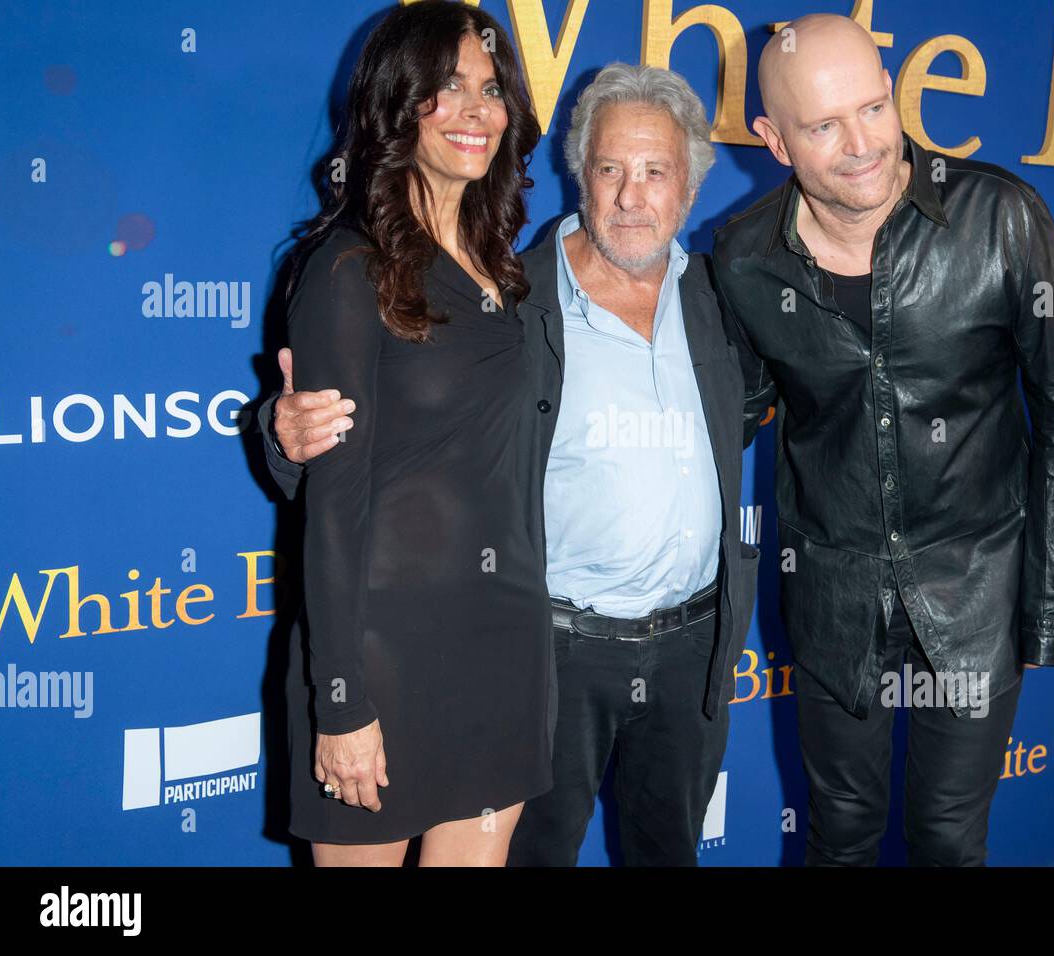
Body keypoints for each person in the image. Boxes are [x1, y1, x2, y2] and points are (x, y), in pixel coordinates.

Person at [258, 64, 759, 866]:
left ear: (691, 187)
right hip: (548, 649)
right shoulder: (511, 296)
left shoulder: (724, 299)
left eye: (656, 172)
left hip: (689, 654)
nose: (632, 196)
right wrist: (285, 435)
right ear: (578, 176)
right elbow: (397, 420)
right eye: (610, 169)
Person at [709, 14, 1054, 865]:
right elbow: (725, 417)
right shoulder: (742, 260)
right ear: (774, 141)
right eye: (823, 125)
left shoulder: (1002, 218)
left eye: (874, 108)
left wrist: (1051, 604)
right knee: (839, 835)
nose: (863, 145)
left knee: (948, 840)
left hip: (976, 591)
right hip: (832, 599)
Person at [278, 0, 551, 866]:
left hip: (503, 642)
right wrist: (342, 699)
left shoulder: (503, 264)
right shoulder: (345, 269)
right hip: (383, 652)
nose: (477, 110)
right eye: (445, 89)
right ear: (397, 105)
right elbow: (334, 502)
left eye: (489, 88)